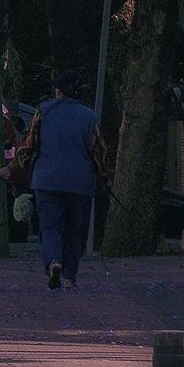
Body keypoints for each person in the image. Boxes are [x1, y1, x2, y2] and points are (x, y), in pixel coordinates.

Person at [20, 70, 108, 291]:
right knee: (75, 230)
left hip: (47, 180)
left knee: (50, 227)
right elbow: (99, 151)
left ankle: (53, 261)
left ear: (58, 91)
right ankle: (69, 276)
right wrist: (104, 176)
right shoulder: (89, 117)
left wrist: (19, 166)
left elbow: (30, 144)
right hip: (80, 182)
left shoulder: (44, 111)